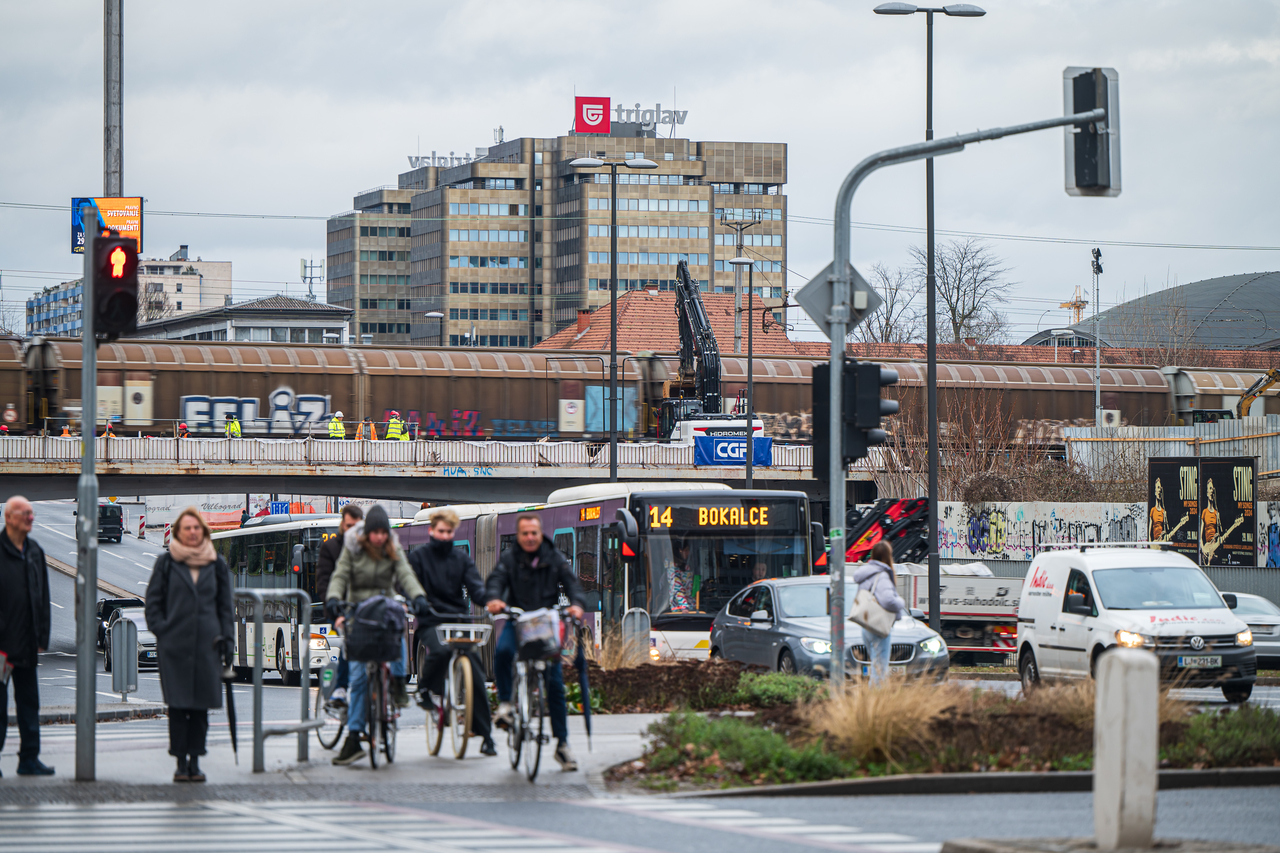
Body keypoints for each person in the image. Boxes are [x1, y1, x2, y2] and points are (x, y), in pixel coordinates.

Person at [324, 505, 428, 767]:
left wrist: (418, 596)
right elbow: (339, 576)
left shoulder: (392, 548)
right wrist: (334, 598)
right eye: (376, 533)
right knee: (358, 679)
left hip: (384, 607)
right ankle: (354, 737)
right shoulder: (352, 548)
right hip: (357, 612)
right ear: (367, 532)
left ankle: (397, 682)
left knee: (398, 631)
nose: (380, 537)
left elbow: (405, 574)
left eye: (384, 532)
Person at [485, 514, 586, 772]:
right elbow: (496, 580)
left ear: (541, 534)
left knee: (555, 684)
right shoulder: (509, 559)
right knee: (504, 652)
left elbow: (572, 584)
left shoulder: (554, 558)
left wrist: (575, 604)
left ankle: (562, 746)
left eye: (534, 533)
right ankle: (506, 704)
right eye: (525, 533)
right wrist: (495, 599)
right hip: (517, 619)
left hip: (545, 622)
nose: (530, 538)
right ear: (518, 536)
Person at [144, 506, 233, 783]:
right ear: (179, 533)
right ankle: (181, 763)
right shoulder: (167, 564)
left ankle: (195, 761)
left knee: (200, 707)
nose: (193, 532)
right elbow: (153, 604)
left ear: (203, 531)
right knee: (179, 706)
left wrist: (227, 640)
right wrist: (163, 632)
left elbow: (225, 607)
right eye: (187, 528)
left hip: (208, 646)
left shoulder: (216, 564)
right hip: (175, 648)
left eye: (197, 528)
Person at [408, 508, 496, 756]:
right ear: (432, 531)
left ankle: (487, 736)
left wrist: (488, 600)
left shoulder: (461, 559)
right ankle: (425, 689)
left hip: (457, 619)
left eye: (449, 532)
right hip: (430, 618)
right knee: (437, 651)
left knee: (477, 673)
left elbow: (476, 586)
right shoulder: (420, 557)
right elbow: (407, 583)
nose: (445, 536)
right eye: (441, 531)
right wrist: (416, 600)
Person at [0, 496, 54, 777]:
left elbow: (43, 597)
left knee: (29, 703)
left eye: (32, 513)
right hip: (1, 650)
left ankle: (29, 759)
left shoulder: (35, 552)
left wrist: (42, 636)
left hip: (27, 643)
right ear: (9, 518)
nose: (31, 518)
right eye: (25, 513)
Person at [315, 504, 364, 710]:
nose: (352, 530)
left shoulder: (366, 545)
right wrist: (333, 605)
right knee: (350, 643)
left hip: (362, 606)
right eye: (349, 525)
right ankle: (340, 689)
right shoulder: (331, 548)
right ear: (342, 525)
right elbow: (324, 581)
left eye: (356, 526)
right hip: (338, 608)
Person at [852, 541, 905, 688]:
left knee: (875, 665)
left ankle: (872, 698)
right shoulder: (882, 575)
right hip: (879, 626)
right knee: (880, 669)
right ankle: (876, 700)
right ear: (888, 556)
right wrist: (901, 602)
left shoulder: (866, 572)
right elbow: (888, 600)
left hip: (867, 625)